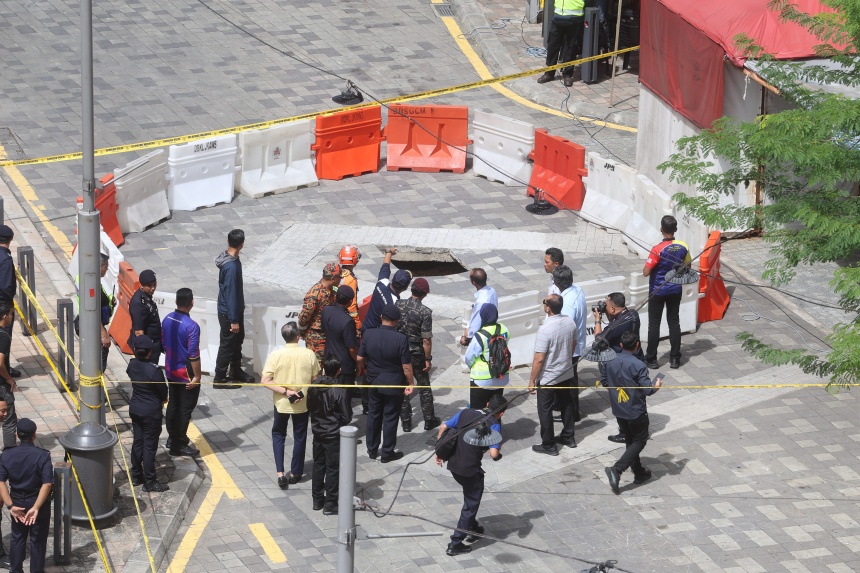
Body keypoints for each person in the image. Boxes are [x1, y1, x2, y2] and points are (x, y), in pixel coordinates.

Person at [435, 394, 507, 557]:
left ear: (487, 403)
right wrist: (498, 448)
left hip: (453, 465)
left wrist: (439, 451)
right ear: (501, 413)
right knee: (471, 504)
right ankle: (455, 544)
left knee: (469, 496)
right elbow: (494, 454)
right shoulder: (494, 425)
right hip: (469, 470)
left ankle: (471, 526)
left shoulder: (466, 412)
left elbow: (443, 427)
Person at [601, 332, 664, 494]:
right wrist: (657, 385)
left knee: (630, 440)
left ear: (621, 345)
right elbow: (648, 390)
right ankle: (617, 469)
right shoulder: (639, 365)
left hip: (618, 408)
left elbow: (605, 382)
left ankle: (638, 473)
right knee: (640, 440)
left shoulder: (609, 360)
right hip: (635, 410)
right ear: (637, 346)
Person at [261, 322, 319, 488]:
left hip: (281, 402)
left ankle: (280, 473)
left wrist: (285, 391)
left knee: (278, 434)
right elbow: (315, 378)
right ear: (298, 337)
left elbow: (265, 381)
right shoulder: (309, 354)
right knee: (300, 436)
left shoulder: (275, 355)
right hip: (302, 402)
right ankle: (295, 472)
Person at [358, 304, 414, 463]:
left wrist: (366, 370)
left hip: (374, 381)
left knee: (374, 415)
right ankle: (387, 451)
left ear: (381, 317)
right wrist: (410, 382)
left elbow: (360, 359)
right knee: (390, 417)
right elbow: (406, 366)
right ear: (396, 321)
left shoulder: (368, 334)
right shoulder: (401, 339)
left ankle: (372, 449)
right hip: (393, 384)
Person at [0, 418, 52, 573]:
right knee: (37, 540)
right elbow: (47, 484)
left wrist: (11, 506)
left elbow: (1, 481)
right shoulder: (42, 456)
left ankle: (15, 570)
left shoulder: (7, 455)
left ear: (17, 434)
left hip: (16, 500)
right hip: (37, 501)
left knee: (17, 538)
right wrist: (36, 507)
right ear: (34, 435)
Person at [528, 294, 577, 456]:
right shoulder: (570, 322)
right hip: (565, 372)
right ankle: (569, 436)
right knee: (567, 404)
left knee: (545, 410)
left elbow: (539, 359)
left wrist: (532, 380)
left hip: (548, 378)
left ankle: (548, 444)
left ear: (548, 308)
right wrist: (566, 361)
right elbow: (574, 344)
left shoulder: (545, 330)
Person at [593, 292, 644, 444]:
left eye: (607, 305)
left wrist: (597, 321)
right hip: (636, 359)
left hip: (621, 366)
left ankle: (625, 432)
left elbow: (599, 340)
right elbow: (614, 327)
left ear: (613, 308)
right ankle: (639, 428)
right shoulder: (632, 314)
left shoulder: (617, 325)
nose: (604, 307)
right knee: (636, 396)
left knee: (620, 398)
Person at [643, 215, 692, 370]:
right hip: (675, 290)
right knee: (674, 322)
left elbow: (646, 272)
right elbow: (688, 265)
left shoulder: (657, 249)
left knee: (654, 325)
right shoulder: (683, 246)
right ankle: (675, 359)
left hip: (657, 290)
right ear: (675, 229)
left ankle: (651, 359)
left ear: (661, 230)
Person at [307, 356, 352, 515]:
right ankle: (331, 503)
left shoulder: (313, 387)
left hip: (318, 432)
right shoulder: (340, 391)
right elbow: (347, 417)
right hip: (333, 434)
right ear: (338, 370)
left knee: (318, 465)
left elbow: (309, 407)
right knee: (332, 468)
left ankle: (317, 500)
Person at [395, 278, 440, 433]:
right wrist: (428, 359)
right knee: (424, 387)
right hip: (416, 354)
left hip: (400, 352)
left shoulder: (398, 304)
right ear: (424, 294)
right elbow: (426, 339)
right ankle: (429, 420)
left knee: (403, 386)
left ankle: (406, 422)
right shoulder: (425, 312)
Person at [162, 288, 201, 458]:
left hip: (170, 369)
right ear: (192, 302)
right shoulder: (192, 326)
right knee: (185, 408)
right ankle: (178, 444)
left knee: (173, 404)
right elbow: (193, 354)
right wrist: (197, 377)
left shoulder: (167, 319)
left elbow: (163, 344)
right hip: (186, 373)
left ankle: (173, 438)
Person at [127, 336, 170, 492]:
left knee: (138, 441)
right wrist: (163, 400)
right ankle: (150, 480)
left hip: (136, 408)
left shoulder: (132, 366)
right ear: (150, 352)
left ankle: (136, 475)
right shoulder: (154, 370)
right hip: (151, 412)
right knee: (149, 445)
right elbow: (163, 391)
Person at [214, 229, 254, 386]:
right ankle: (220, 377)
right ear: (242, 244)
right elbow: (230, 294)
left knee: (237, 342)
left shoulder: (231, 259)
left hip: (234, 310)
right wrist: (233, 320)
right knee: (227, 345)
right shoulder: (230, 267)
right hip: (229, 313)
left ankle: (236, 370)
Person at [553, 265, 586, 421]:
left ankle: (572, 414)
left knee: (569, 382)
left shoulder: (567, 302)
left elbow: (566, 329)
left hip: (570, 348)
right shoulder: (578, 290)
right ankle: (568, 410)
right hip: (577, 345)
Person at [74, 252, 115, 371]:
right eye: (105, 267)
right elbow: (94, 312)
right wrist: (103, 335)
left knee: (88, 355)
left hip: (86, 323)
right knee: (97, 359)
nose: (106, 270)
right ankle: (94, 386)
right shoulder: (91, 284)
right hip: (93, 327)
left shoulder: (86, 277)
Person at [464, 304, 509, 409]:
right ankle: (495, 425)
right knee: (495, 411)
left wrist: (472, 367)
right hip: (501, 377)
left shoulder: (480, 335)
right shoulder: (504, 329)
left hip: (481, 381)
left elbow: (469, 357)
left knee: (477, 413)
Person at [361, 248, 412, 332]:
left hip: (366, 327)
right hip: (377, 334)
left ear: (392, 279)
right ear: (406, 288)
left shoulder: (382, 282)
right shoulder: (395, 303)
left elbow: (386, 264)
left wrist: (389, 252)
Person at [536, 0, 585, 87]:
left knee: (571, 48)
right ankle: (549, 73)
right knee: (552, 46)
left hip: (575, 18)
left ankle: (568, 74)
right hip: (558, 17)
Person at [299, 263, 341, 361]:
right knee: (316, 370)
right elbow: (303, 318)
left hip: (326, 336)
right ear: (333, 278)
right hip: (316, 339)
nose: (341, 279)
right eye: (339, 277)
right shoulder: (315, 293)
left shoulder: (331, 289)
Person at [322, 284, 359, 393]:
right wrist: (359, 361)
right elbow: (351, 348)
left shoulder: (326, 310)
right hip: (344, 365)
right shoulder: (347, 321)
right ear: (350, 301)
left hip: (329, 358)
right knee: (343, 395)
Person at [127, 269, 162, 364]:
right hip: (147, 348)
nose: (153, 288)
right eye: (149, 286)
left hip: (153, 343)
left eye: (154, 284)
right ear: (141, 285)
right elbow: (139, 332)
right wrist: (146, 353)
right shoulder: (139, 304)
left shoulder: (146, 297)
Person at [0, 225, 21, 379]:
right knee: (4, 337)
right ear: (10, 239)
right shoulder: (6, 260)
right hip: (3, 305)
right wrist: (9, 309)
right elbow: (6, 287)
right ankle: (4, 370)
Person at [460, 268, 497, 347]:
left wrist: (466, 337)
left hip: (482, 336)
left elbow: (476, 324)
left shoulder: (481, 302)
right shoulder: (492, 291)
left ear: (473, 282)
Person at [0, 303, 18, 449]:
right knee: (8, 418)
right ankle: (10, 453)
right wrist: (9, 378)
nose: (13, 317)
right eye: (11, 314)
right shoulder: (4, 336)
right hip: (1, 385)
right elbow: (0, 363)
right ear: (5, 316)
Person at [338, 245, 363, 332]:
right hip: (345, 316)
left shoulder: (337, 274)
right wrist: (357, 324)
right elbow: (352, 304)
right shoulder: (351, 279)